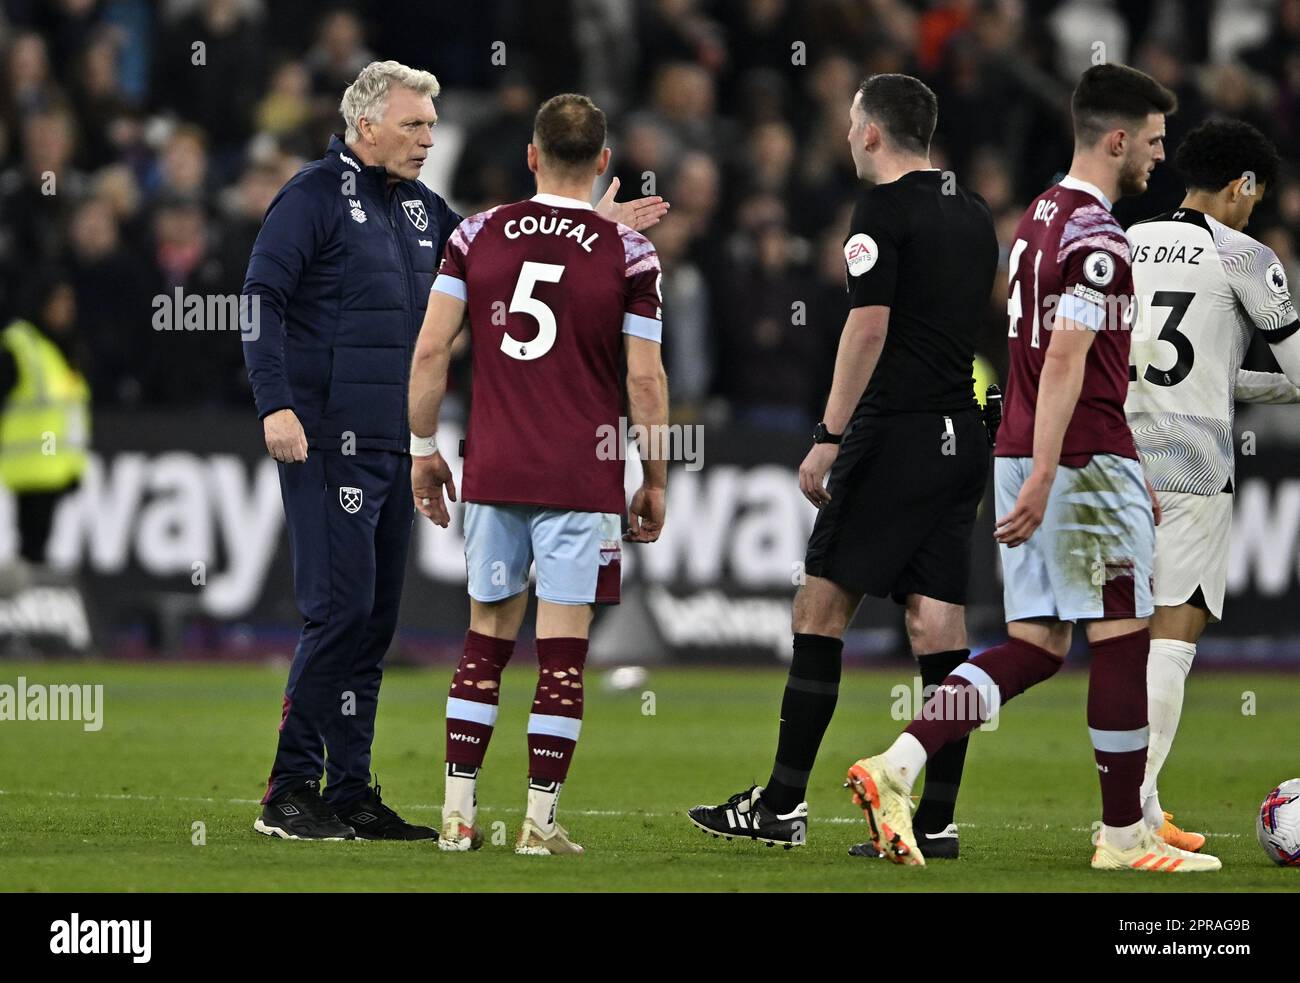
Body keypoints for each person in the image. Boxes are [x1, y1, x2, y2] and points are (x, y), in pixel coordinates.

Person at [243, 62, 665, 842]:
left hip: (394, 446)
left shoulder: (420, 210)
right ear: (366, 124)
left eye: (434, 126)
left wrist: (596, 228)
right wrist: (276, 403)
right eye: (415, 126)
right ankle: (290, 787)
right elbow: (260, 297)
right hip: (324, 437)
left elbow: (511, 250)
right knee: (337, 613)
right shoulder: (309, 198)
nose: (429, 139)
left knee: (372, 622)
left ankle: (351, 789)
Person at [841, 64, 1222, 873]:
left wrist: (1044, 462)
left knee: (1037, 644)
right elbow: (1067, 361)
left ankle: (896, 765)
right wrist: (1062, 467)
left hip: (1026, 450)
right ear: (1117, 140)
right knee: (1121, 637)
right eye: (1154, 143)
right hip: (1073, 461)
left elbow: (1037, 349)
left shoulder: (1038, 219)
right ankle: (1124, 838)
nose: (1161, 159)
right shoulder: (1097, 239)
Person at [687, 74, 998, 856]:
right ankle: (939, 819)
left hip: (892, 432)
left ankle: (781, 805)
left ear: (870, 133)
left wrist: (829, 433)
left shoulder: (882, 211)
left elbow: (867, 329)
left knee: (819, 608)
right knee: (939, 622)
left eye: (851, 119)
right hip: (961, 432)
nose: (845, 132)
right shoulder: (973, 212)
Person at [408, 93, 669, 856]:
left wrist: (422, 447)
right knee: (562, 654)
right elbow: (646, 382)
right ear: (602, 163)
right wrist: (656, 477)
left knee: (484, 642)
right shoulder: (630, 254)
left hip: (493, 467)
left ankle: (456, 819)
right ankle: (538, 822)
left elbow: (430, 352)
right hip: (580, 478)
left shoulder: (474, 234)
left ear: (530, 156)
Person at [1126, 118, 1300, 851]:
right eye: (1254, 198)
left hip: (1113, 454)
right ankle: (1134, 812)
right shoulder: (1246, 255)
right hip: (1192, 465)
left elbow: (1202, 366)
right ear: (1242, 186)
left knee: (1112, 635)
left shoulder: (1125, 241)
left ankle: (1141, 802)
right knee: (1176, 632)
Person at [0, 273, 90, 583]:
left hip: (54, 467)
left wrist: (73, 468)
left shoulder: (65, 347)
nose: (66, 309)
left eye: (69, 302)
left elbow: (71, 415)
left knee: (39, 547)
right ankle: (25, 613)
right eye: (59, 302)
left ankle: (31, 607)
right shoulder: (20, 344)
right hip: (26, 465)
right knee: (30, 546)